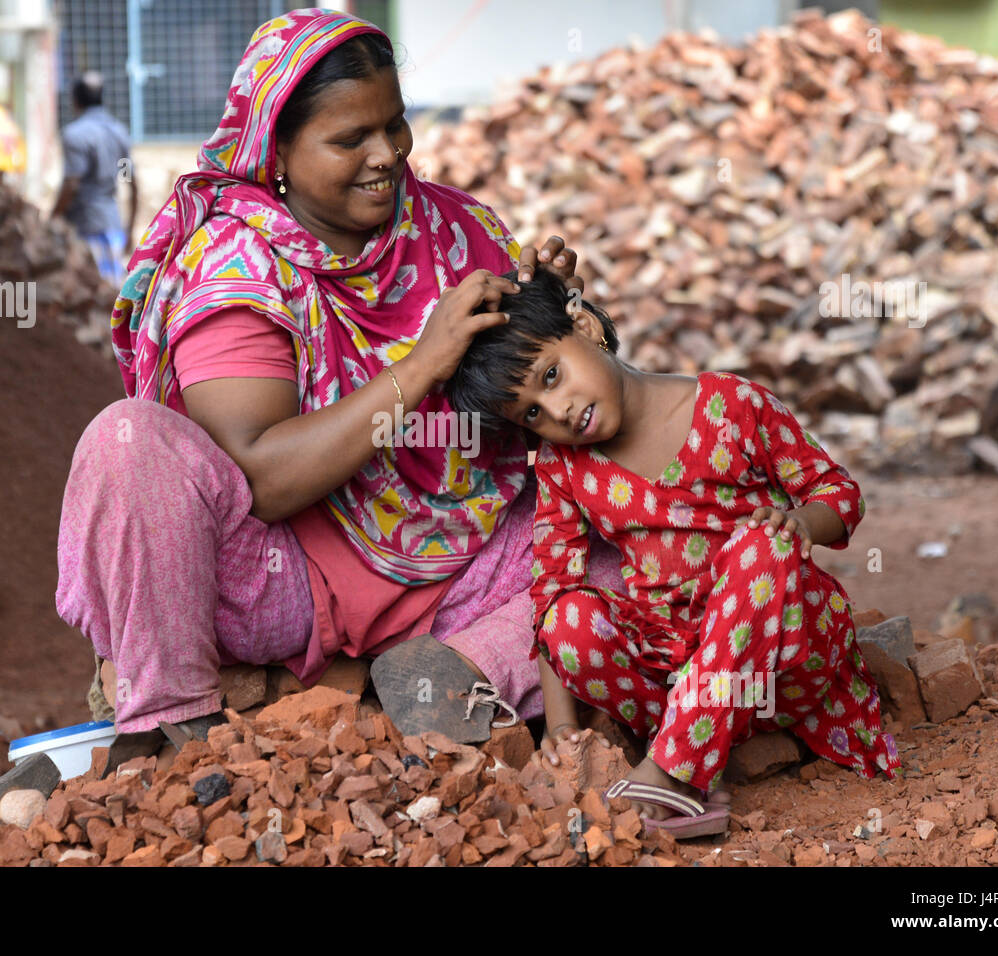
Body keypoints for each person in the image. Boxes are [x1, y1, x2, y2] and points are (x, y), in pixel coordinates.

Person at [55, 9, 593, 761]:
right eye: (350, 140)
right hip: (282, 585)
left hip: (466, 567)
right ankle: (171, 722)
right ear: (277, 146)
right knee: (127, 439)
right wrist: (421, 366)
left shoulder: (462, 231)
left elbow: (538, 404)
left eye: (395, 126)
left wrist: (562, 331)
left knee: (631, 516)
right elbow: (263, 480)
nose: (388, 156)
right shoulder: (236, 264)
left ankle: (453, 677)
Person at [447, 267, 900, 836]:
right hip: (674, 680)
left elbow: (838, 493)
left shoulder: (732, 404)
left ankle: (672, 774)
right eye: (532, 413)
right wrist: (560, 731)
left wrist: (797, 521)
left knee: (762, 546)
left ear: (584, 326)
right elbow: (552, 588)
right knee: (569, 620)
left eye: (552, 375)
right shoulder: (564, 467)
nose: (557, 410)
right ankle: (696, 748)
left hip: (784, 659)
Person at [52, 70, 137, 285]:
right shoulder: (119, 133)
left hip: (85, 226)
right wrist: (129, 227)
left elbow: (72, 183)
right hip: (112, 223)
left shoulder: (75, 135)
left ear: (75, 100)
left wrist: (53, 217)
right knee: (111, 294)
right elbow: (130, 182)